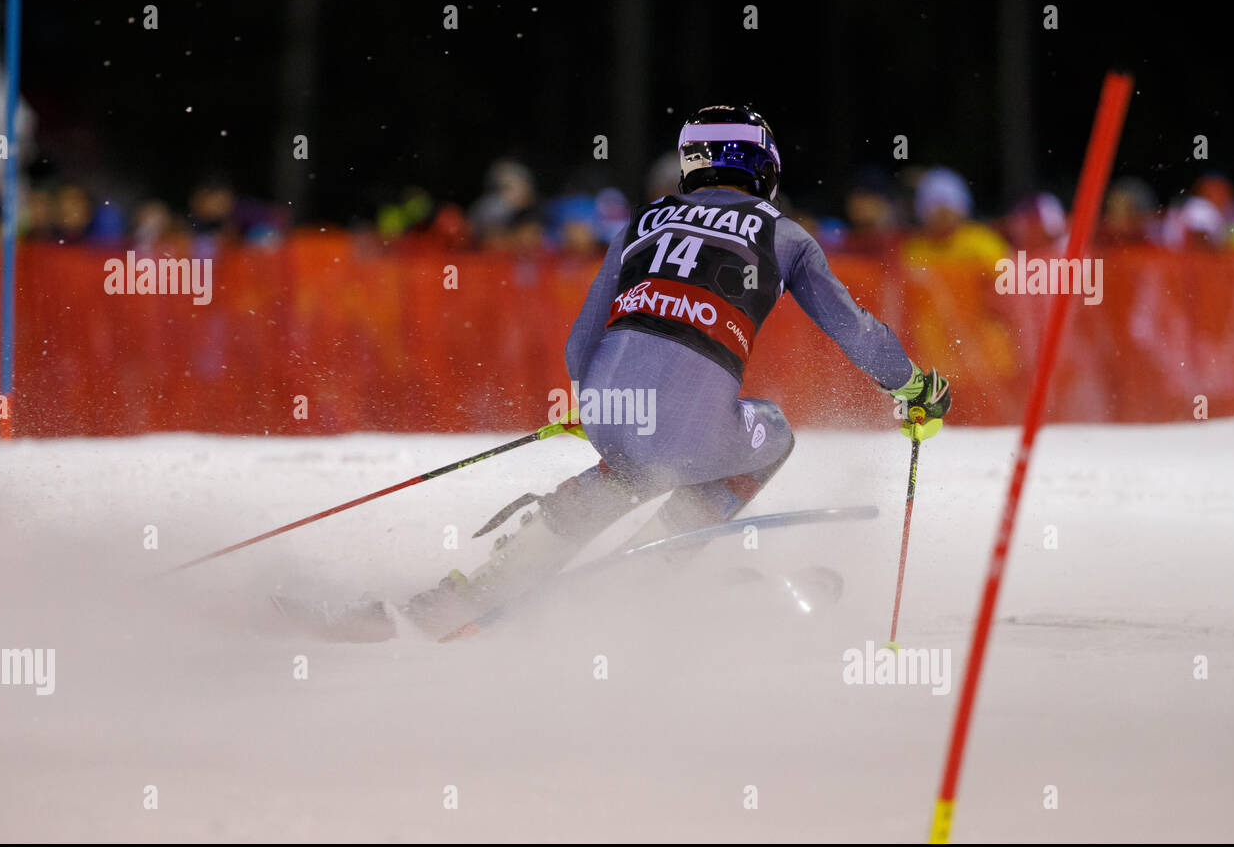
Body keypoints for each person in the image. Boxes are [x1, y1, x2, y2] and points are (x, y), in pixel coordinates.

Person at [403, 106, 952, 637]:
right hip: (687, 426)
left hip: (608, 410)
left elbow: (581, 340)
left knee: (629, 464)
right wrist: (913, 388)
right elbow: (854, 330)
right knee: (774, 434)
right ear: (765, 169)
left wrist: (589, 403)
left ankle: (485, 583)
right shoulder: (784, 234)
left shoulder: (644, 220)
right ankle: (638, 579)